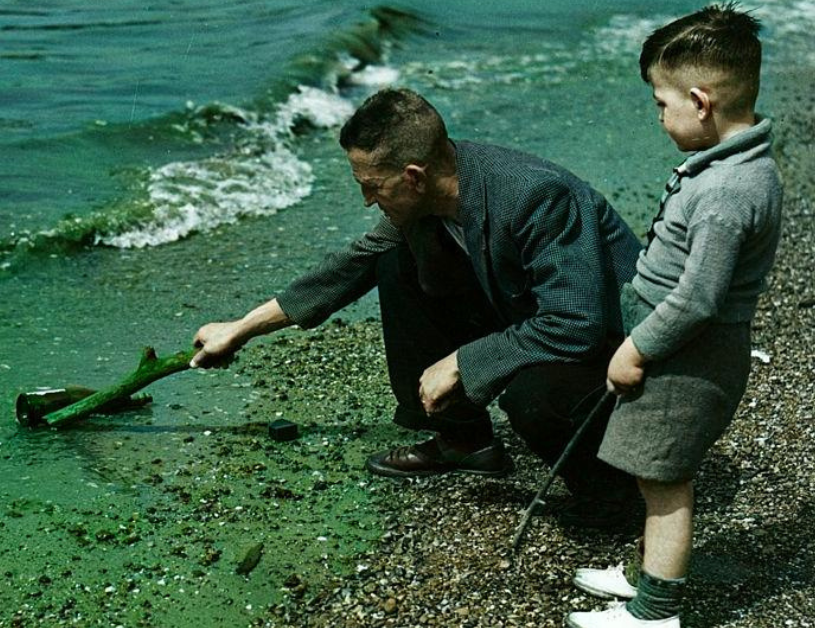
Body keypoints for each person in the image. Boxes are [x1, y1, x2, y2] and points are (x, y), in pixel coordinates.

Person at [191, 87, 645, 528]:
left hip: (616, 348)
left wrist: (463, 363)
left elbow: (576, 323)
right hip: (533, 313)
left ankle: (614, 495)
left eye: (371, 187)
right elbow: (348, 268)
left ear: (413, 176)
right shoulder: (429, 199)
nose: (368, 200)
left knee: (536, 398)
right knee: (393, 262)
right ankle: (463, 441)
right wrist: (241, 328)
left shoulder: (536, 195)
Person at [565, 5, 783, 627]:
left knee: (665, 482)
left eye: (662, 104)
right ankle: (643, 574)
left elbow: (697, 299)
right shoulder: (734, 163)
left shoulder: (725, 193)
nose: (659, 117)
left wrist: (634, 349)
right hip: (679, 347)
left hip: (688, 355)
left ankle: (655, 612)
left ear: (700, 100)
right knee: (651, 471)